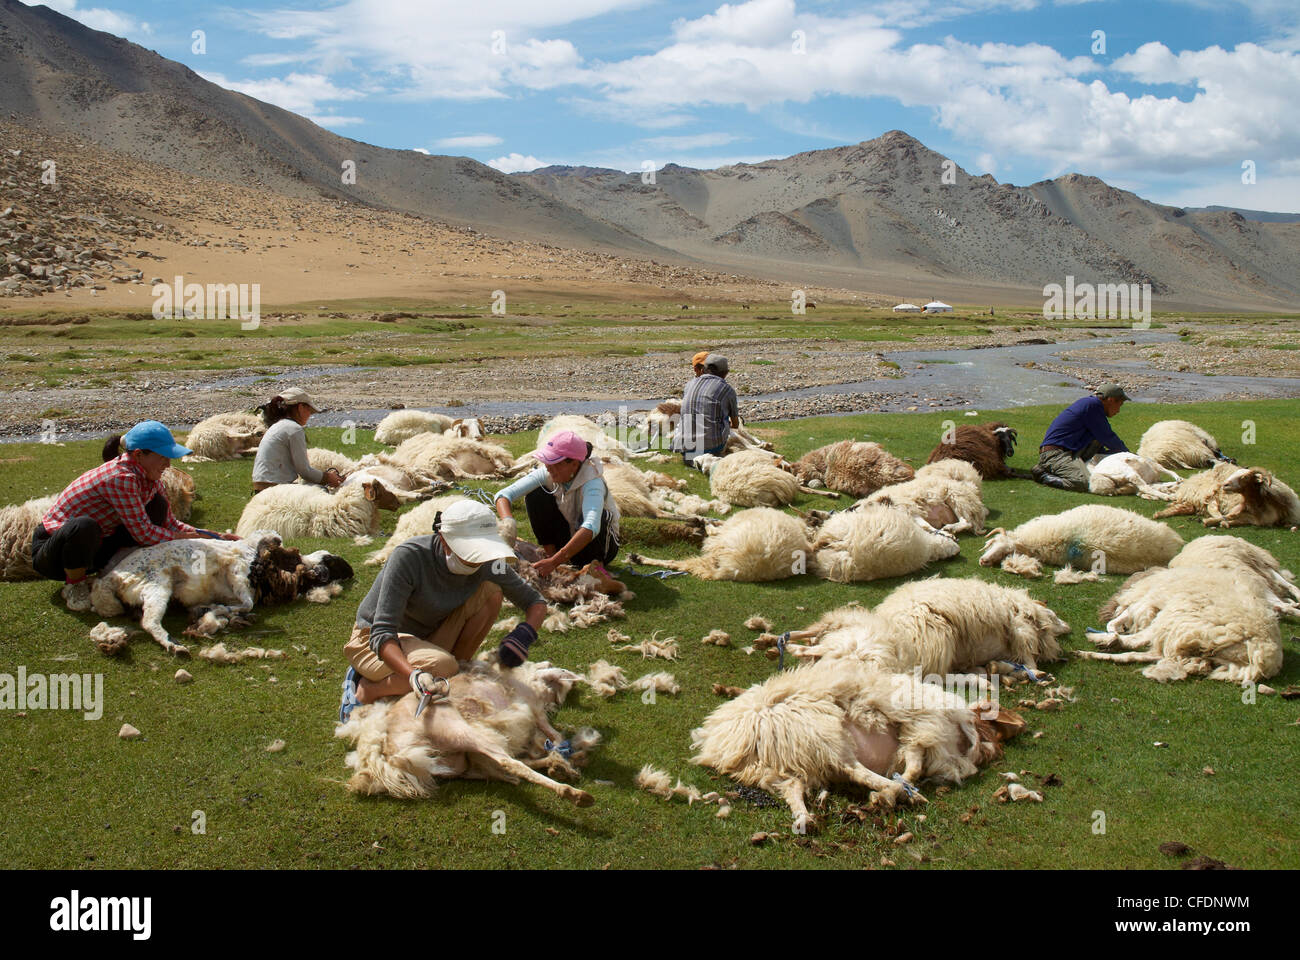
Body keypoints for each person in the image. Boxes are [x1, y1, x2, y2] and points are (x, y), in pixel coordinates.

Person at [340, 501, 547, 722]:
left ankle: (452, 671)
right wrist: (413, 675)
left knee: (491, 592)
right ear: (445, 542)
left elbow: (535, 602)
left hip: (429, 635)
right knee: (442, 665)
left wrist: (524, 634)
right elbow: (381, 633)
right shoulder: (410, 557)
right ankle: (368, 688)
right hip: (374, 643)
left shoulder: (488, 563)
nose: (476, 560)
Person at [31, 420, 237, 610]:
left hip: (98, 542)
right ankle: (75, 585)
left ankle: (119, 569)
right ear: (139, 455)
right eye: (163, 457)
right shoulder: (121, 478)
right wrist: (183, 538)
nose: (168, 464)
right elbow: (144, 534)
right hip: (56, 553)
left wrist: (212, 536)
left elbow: (169, 523)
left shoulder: (151, 478)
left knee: (157, 505)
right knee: (84, 526)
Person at [493, 430, 623, 586]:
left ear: (574, 464)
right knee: (536, 494)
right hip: (570, 534)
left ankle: (595, 565)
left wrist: (555, 562)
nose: (548, 467)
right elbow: (504, 495)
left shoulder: (592, 483)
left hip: (600, 545)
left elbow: (591, 527)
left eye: (554, 463)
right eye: (548, 462)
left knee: (598, 516)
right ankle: (551, 555)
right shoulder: (549, 473)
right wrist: (509, 524)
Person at [1032, 383, 1131, 491]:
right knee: (1085, 483)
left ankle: (1054, 469)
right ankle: (1043, 476)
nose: (1118, 410)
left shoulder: (1091, 405)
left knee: (1098, 443)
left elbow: (1101, 442)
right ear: (1111, 400)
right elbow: (1108, 437)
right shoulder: (1093, 406)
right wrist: (1129, 456)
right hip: (1056, 454)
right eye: (1119, 405)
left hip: (1070, 450)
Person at [251, 387, 343, 493]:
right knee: (321, 492)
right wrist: (328, 477)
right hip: (275, 487)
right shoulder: (294, 429)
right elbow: (304, 471)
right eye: (309, 410)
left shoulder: (278, 426)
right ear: (300, 407)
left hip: (262, 485)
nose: (309, 415)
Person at [676, 353, 738, 466]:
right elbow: (736, 424)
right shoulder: (727, 390)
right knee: (724, 421)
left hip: (685, 449)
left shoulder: (689, 385)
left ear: (704, 369)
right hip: (711, 448)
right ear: (726, 373)